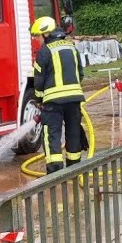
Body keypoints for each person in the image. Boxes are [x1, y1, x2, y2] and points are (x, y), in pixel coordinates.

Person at [31, 16, 86, 174]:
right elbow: (80, 74)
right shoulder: (71, 47)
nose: (37, 40)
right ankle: (74, 170)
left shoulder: (44, 51)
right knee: (73, 133)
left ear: (46, 34)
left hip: (53, 103)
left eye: (38, 36)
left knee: (52, 136)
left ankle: (55, 175)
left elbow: (39, 81)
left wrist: (40, 100)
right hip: (74, 100)